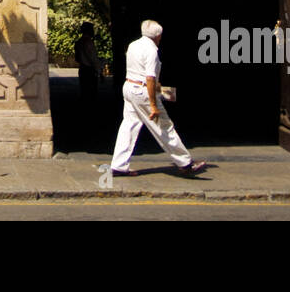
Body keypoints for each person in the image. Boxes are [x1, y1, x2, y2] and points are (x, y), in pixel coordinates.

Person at [110, 19, 206, 177]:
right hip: (143, 92)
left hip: (129, 87)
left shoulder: (134, 45)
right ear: (158, 35)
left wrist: (160, 89)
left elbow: (142, 73)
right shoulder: (152, 50)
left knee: (129, 125)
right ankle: (185, 162)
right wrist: (153, 105)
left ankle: (119, 165)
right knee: (164, 127)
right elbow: (149, 78)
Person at [73, 22, 103, 104]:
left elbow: (77, 58)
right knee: (91, 94)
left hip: (83, 69)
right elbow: (93, 58)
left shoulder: (78, 42)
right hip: (89, 70)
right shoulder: (88, 42)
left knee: (84, 92)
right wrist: (99, 71)